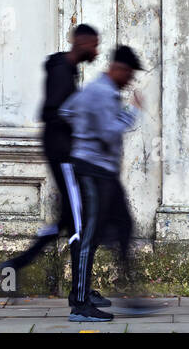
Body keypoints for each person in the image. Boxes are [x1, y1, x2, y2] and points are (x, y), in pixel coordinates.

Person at [0, 24, 108, 303]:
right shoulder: (61, 71)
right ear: (81, 43)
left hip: (64, 154)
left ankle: (18, 265)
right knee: (80, 225)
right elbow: (51, 112)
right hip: (65, 157)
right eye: (93, 45)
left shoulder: (67, 70)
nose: (96, 51)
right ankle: (79, 296)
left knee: (68, 222)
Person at [59, 45, 147, 322]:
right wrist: (132, 112)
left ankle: (128, 294)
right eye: (129, 74)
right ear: (118, 69)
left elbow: (68, 111)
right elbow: (109, 131)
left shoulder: (100, 91)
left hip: (103, 171)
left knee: (122, 226)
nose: (130, 80)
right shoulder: (101, 92)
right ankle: (81, 304)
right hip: (92, 172)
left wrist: (83, 132)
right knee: (89, 235)